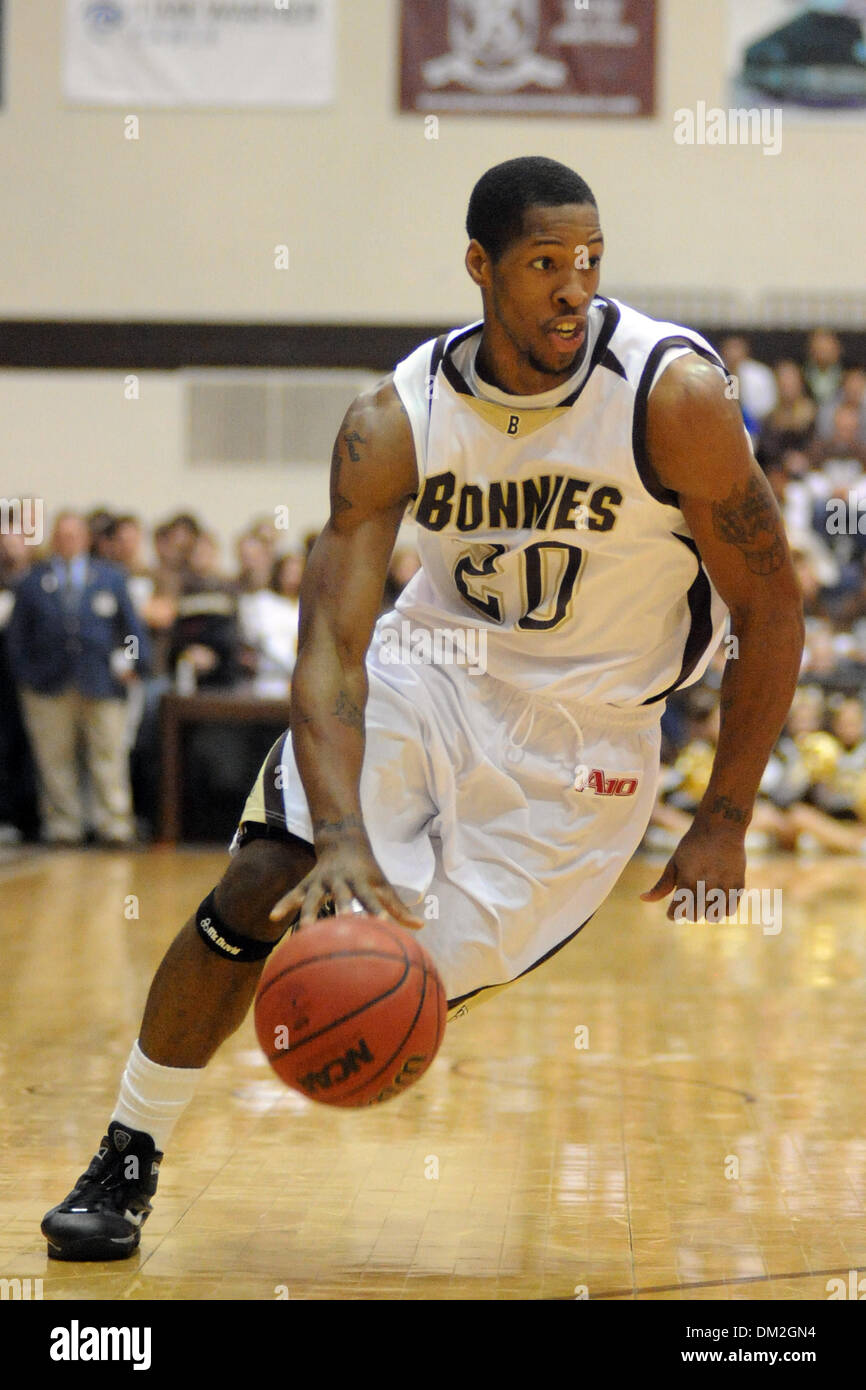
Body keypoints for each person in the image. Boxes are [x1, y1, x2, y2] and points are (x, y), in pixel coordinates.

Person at [42, 156, 804, 1261]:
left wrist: (725, 812)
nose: (570, 287)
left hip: (589, 740)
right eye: (543, 263)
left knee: (387, 983)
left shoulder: (668, 398)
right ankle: (127, 1150)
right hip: (433, 671)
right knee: (266, 876)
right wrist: (340, 834)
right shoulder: (394, 416)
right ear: (478, 267)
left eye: (587, 262)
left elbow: (771, 598)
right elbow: (330, 650)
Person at [7, 511, 150, 847]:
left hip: (102, 682)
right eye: (62, 535)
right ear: (54, 539)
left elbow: (131, 630)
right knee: (55, 758)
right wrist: (27, 675)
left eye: (75, 535)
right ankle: (64, 826)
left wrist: (132, 663)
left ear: (86, 539)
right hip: (47, 685)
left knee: (108, 755)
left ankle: (114, 825)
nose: (68, 540)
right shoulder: (32, 580)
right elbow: (17, 637)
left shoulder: (110, 577)